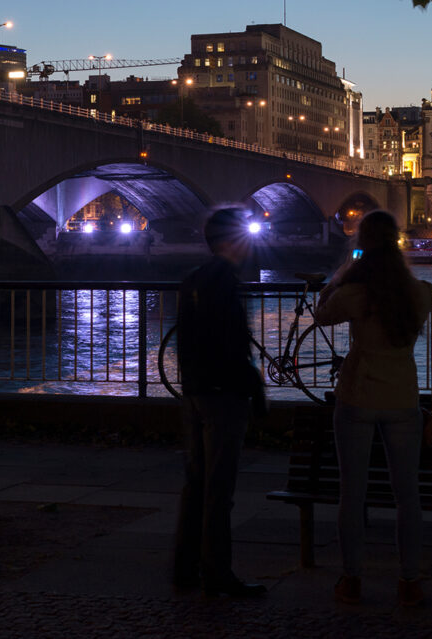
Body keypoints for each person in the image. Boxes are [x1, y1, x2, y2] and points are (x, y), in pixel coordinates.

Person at [315, 209, 432, 607]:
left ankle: (352, 578)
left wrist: (346, 269)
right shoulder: (420, 294)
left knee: (353, 493)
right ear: (397, 244)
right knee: (407, 495)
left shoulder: (355, 293)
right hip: (402, 397)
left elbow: (322, 313)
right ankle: (410, 580)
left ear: (364, 244)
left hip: (358, 394)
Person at [172, 207, 268, 599]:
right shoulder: (225, 282)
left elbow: (189, 339)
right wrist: (253, 386)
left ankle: (185, 566)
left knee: (196, 484)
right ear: (232, 241)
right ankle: (217, 572)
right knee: (219, 489)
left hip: (194, 391)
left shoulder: (191, 279)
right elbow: (229, 343)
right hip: (223, 395)